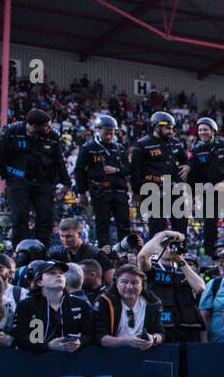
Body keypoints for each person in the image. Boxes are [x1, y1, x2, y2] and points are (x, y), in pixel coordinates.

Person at [0, 109, 71, 246]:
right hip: (18, 181)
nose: (49, 128)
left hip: (43, 182)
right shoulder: (12, 133)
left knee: (46, 217)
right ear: (33, 126)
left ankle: (42, 250)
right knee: (20, 216)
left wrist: (66, 183)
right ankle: (21, 249)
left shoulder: (52, 137)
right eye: (45, 126)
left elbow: (59, 161)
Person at [188, 116, 224, 258]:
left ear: (213, 131)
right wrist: (195, 196)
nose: (202, 132)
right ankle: (210, 256)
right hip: (209, 192)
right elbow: (194, 176)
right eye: (200, 130)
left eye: (205, 129)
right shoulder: (196, 150)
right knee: (209, 225)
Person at [73, 114, 131, 249]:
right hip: (100, 192)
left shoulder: (119, 148)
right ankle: (104, 251)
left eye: (112, 133)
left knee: (124, 224)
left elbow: (128, 169)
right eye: (106, 133)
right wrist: (81, 193)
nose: (110, 136)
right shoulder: (88, 148)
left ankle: (125, 251)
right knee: (102, 224)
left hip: (119, 191)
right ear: (98, 130)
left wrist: (116, 170)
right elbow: (79, 170)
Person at [129, 111, 190, 237]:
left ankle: (180, 253)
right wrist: (137, 191)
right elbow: (135, 171)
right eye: (167, 128)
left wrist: (188, 166)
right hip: (152, 190)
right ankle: (156, 255)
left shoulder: (176, 143)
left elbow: (186, 159)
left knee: (181, 224)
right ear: (156, 126)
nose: (170, 131)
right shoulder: (142, 145)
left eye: (172, 128)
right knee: (158, 227)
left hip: (174, 189)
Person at [10, 259, 91, 353]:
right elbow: (19, 337)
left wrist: (79, 342)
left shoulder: (81, 304)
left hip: (71, 361)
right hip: (36, 362)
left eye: (61, 273)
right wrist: (47, 346)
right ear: (39, 282)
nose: (58, 275)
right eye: (52, 273)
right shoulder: (26, 305)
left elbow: (88, 334)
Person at [93, 264, 165, 349]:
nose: (129, 287)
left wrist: (153, 339)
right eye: (124, 282)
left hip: (143, 355)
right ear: (116, 283)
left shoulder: (152, 303)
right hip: (110, 355)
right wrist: (127, 341)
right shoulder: (104, 301)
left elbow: (160, 333)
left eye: (135, 282)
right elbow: (99, 337)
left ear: (142, 285)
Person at [50, 217, 114, 281]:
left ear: (79, 234)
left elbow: (111, 281)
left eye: (69, 236)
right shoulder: (56, 254)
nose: (65, 240)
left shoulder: (96, 254)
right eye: (62, 236)